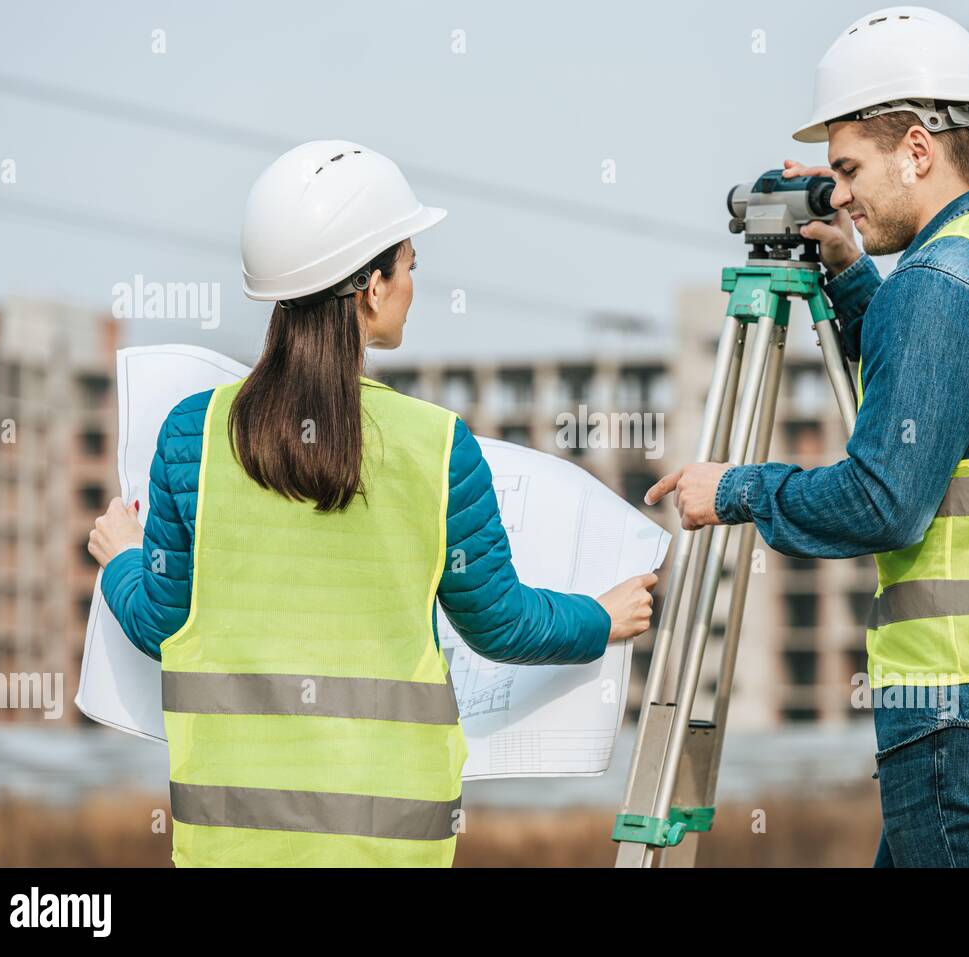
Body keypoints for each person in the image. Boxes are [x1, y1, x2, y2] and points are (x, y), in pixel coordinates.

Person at [646, 6, 969, 867]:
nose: (839, 195)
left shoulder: (938, 284)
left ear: (917, 149)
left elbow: (884, 499)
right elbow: (946, 405)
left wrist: (733, 490)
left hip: (962, 706)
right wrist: (849, 273)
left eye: (847, 168)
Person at [87, 140, 657, 867]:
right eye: (411, 264)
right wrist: (600, 618)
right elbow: (500, 622)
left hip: (229, 846)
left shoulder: (190, 437)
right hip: (394, 848)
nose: (415, 282)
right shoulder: (437, 446)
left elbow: (158, 622)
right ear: (372, 288)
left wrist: (122, 558)